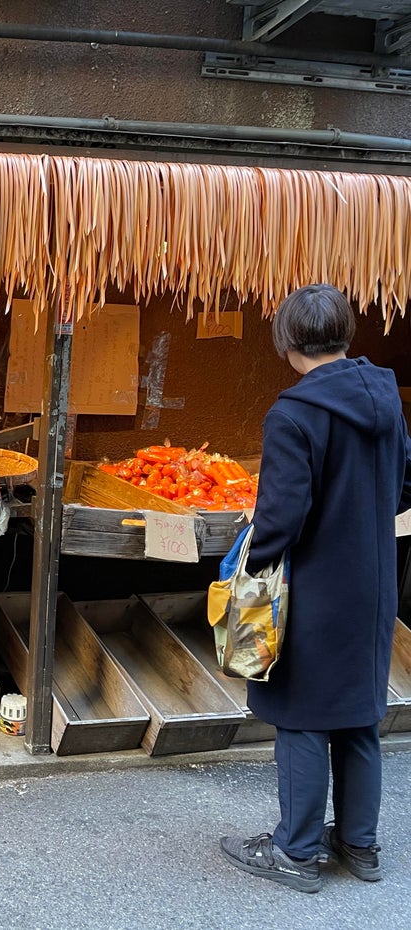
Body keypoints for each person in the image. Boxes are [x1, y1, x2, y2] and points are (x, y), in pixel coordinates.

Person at [220, 284, 411, 893]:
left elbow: (280, 518)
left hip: (315, 592)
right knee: (357, 716)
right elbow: (406, 484)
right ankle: (360, 845)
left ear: (286, 342)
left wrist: (253, 569)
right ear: (345, 334)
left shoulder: (294, 413)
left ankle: (296, 852)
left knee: (302, 717)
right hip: (374, 585)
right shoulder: (386, 397)